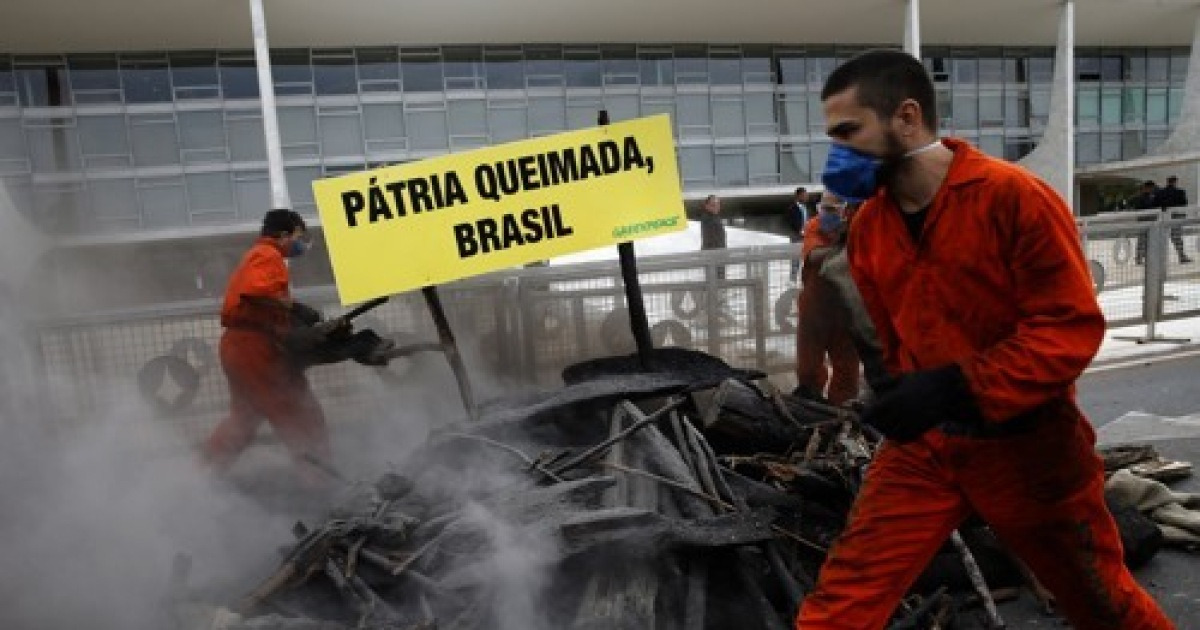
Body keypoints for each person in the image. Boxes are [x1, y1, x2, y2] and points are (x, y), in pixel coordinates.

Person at [797, 49, 1174, 629]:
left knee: (1102, 604)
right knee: (840, 606)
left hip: (1030, 451)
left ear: (906, 116)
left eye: (849, 131)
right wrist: (894, 391)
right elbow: (894, 339)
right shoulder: (872, 228)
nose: (836, 152)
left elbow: (1068, 329)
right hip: (925, 454)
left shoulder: (1012, 198)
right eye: (832, 135)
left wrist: (956, 386)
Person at [203, 209, 342, 486]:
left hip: (239, 347)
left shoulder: (258, 256)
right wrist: (296, 308)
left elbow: (257, 298)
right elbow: (256, 291)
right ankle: (321, 481)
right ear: (283, 235)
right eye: (300, 236)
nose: (303, 244)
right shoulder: (268, 255)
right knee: (300, 412)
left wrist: (290, 318)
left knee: (244, 419)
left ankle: (201, 476)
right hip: (253, 348)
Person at [794, 191, 860, 405]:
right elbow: (813, 255)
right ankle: (812, 408)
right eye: (823, 209)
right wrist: (843, 246)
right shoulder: (815, 226)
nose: (825, 215)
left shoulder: (859, 226)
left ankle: (842, 414)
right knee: (808, 369)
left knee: (848, 370)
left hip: (846, 310)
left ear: (845, 211)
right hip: (815, 309)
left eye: (832, 210)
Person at [1156, 175, 1193, 264]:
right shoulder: (1180, 192)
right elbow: (1184, 204)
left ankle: (1160, 259)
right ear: (1175, 182)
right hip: (1177, 216)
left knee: (1161, 237)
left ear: (1167, 181)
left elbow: (1157, 203)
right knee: (1177, 237)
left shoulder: (1161, 192)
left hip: (1164, 216)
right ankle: (1181, 256)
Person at [785, 187, 812, 282]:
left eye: (807, 195)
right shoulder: (792, 208)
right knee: (795, 260)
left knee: (807, 260)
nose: (807, 197)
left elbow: (808, 222)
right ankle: (792, 281)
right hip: (796, 238)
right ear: (798, 196)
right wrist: (800, 231)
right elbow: (790, 223)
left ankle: (805, 281)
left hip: (807, 238)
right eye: (805, 195)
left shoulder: (806, 208)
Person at [699, 194, 727, 280]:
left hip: (718, 255)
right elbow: (711, 239)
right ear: (707, 206)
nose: (716, 207)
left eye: (718, 204)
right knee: (714, 282)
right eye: (713, 205)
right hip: (713, 256)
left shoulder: (715, 217)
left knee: (718, 282)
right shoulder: (708, 218)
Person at [1131, 180, 1159, 265]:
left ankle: (1145, 257)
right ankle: (1139, 258)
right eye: (1151, 188)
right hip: (1144, 221)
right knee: (1142, 240)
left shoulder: (1152, 196)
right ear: (1148, 187)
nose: (1152, 189)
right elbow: (1139, 208)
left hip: (1150, 221)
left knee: (1148, 240)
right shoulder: (1141, 197)